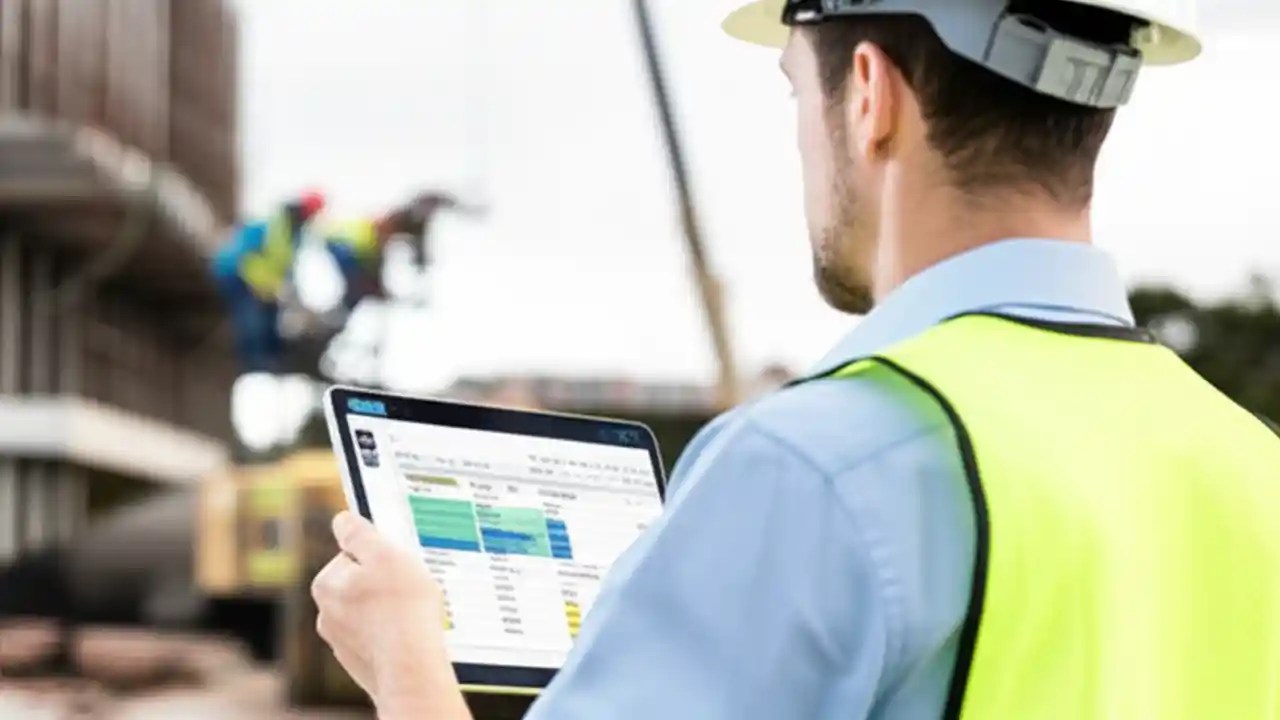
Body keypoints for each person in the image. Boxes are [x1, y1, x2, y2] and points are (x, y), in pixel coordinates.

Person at [311, 1, 1280, 718]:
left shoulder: (818, 467)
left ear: (868, 95)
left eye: (792, 92)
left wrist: (405, 663)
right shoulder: (1251, 462)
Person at [212, 190, 326, 372]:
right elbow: (245, 260)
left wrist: (286, 292)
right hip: (238, 275)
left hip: (263, 285)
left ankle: (272, 362)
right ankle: (253, 366)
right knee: (252, 320)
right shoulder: (269, 226)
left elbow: (284, 269)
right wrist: (269, 288)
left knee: (270, 320)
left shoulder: (295, 236)